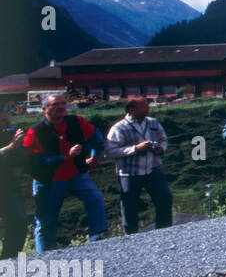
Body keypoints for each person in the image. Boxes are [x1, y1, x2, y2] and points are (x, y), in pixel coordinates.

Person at [24, 94, 108, 250]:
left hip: (75, 173)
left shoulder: (76, 121)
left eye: (63, 104)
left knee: (95, 198)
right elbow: (36, 163)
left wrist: (95, 156)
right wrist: (66, 157)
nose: (61, 107)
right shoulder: (35, 132)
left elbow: (96, 137)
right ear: (44, 109)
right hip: (49, 180)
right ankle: (44, 255)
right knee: (46, 220)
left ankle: (97, 239)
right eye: (55, 105)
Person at [106, 96, 172, 234]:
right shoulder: (119, 128)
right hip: (130, 173)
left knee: (164, 198)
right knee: (130, 206)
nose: (147, 108)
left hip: (152, 169)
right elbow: (110, 151)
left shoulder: (153, 123)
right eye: (144, 106)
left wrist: (161, 148)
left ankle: (164, 232)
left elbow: (163, 139)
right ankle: (131, 237)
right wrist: (135, 149)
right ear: (132, 109)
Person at [1, 127, 29, 258]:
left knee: (18, 223)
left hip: (7, 187)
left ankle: (8, 261)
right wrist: (11, 147)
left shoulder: (7, 132)